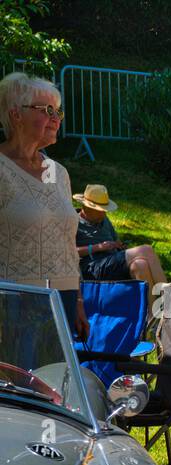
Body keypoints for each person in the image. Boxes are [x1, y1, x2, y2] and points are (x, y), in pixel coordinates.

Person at [0, 72, 88, 338]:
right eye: (47, 109)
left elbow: (67, 244)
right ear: (16, 115)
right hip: (14, 301)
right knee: (17, 379)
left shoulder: (59, 173)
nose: (56, 118)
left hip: (64, 299)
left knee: (56, 379)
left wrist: (79, 302)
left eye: (58, 111)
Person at [74, 184, 166, 291]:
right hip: (93, 268)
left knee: (140, 265)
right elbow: (68, 252)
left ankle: (153, 307)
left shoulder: (104, 221)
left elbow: (116, 241)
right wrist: (98, 247)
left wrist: (119, 246)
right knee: (146, 250)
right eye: (100, 211)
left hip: (112, 263)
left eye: (104, 211)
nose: (103, 214)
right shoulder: (73, 222)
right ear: (86, 207)